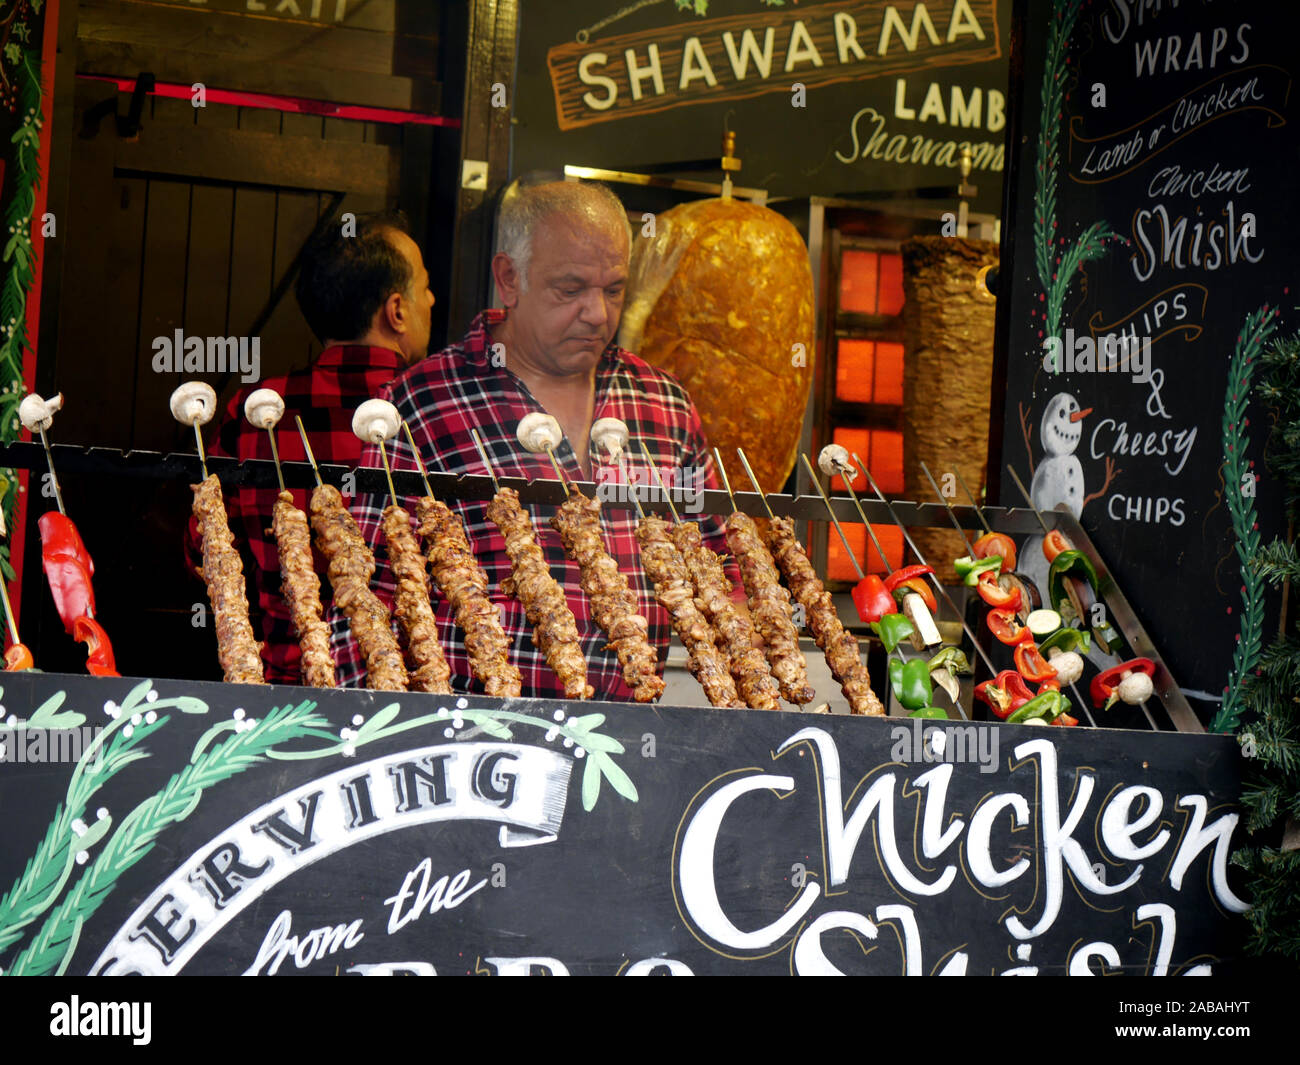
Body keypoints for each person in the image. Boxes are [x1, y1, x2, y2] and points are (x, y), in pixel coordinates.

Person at [332, 181, 736, 698]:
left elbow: (721, 574)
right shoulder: (419, 406)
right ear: (509, 278)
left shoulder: (665, 406)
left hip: (634, 742)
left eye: (614, 289)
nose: (597, 313)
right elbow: (369, 600)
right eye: (570, 290)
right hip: (468, 742)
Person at [187, 211, 435, 683]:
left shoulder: (256, 410)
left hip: (277, 689)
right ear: (397, 310)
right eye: (425, 285)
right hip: (416, 699)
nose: (433, 298)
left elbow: (204, 550)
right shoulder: (436, 415)